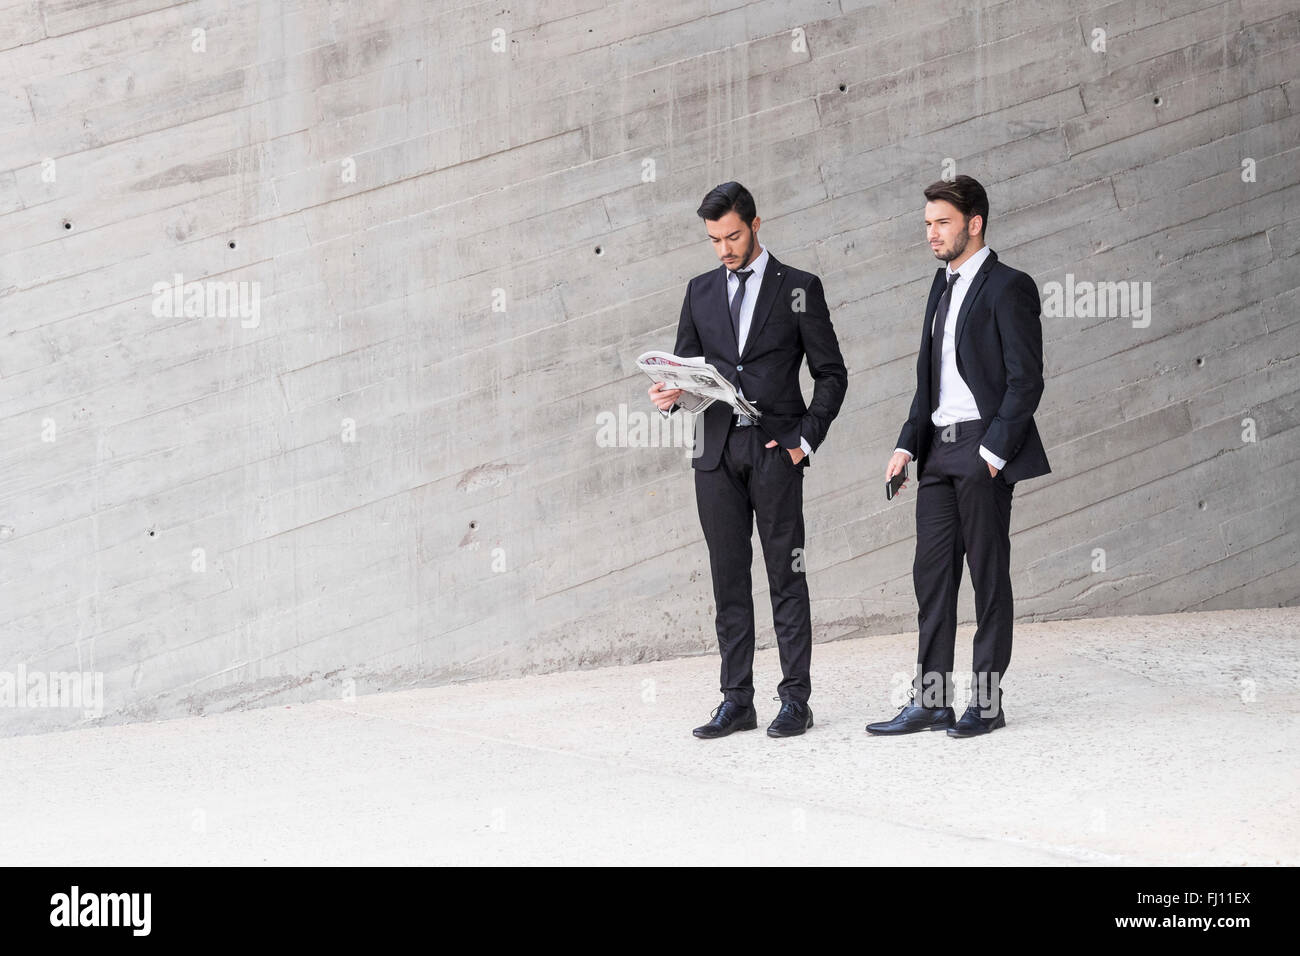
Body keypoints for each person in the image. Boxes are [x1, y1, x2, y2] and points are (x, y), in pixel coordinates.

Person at [649, 182, 847, 739]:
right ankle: (736, 700)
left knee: (787, 575)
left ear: (757, 224)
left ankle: (795, 701)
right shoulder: (700, 290)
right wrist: (672, 395)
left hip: (774, 452)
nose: (724, 249)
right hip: (715, 454)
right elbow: (691, 375)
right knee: (727, 580)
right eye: (714, 239)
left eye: (732, 235)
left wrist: (803, 441)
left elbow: (832, 374)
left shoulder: (800, 289)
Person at [867, 175, 1050, 739]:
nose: (931, 233)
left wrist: (993, 454)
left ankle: (987, 704)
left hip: (982, 448)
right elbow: (930, 383)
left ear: (975, 223)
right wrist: (905, 445)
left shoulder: (1008, 286)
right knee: (933, 579)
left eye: (941, 222)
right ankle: (932, 701)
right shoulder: (939, 286)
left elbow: (1027, 381)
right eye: (927, 224)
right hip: (937, 454)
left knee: (988, 578)